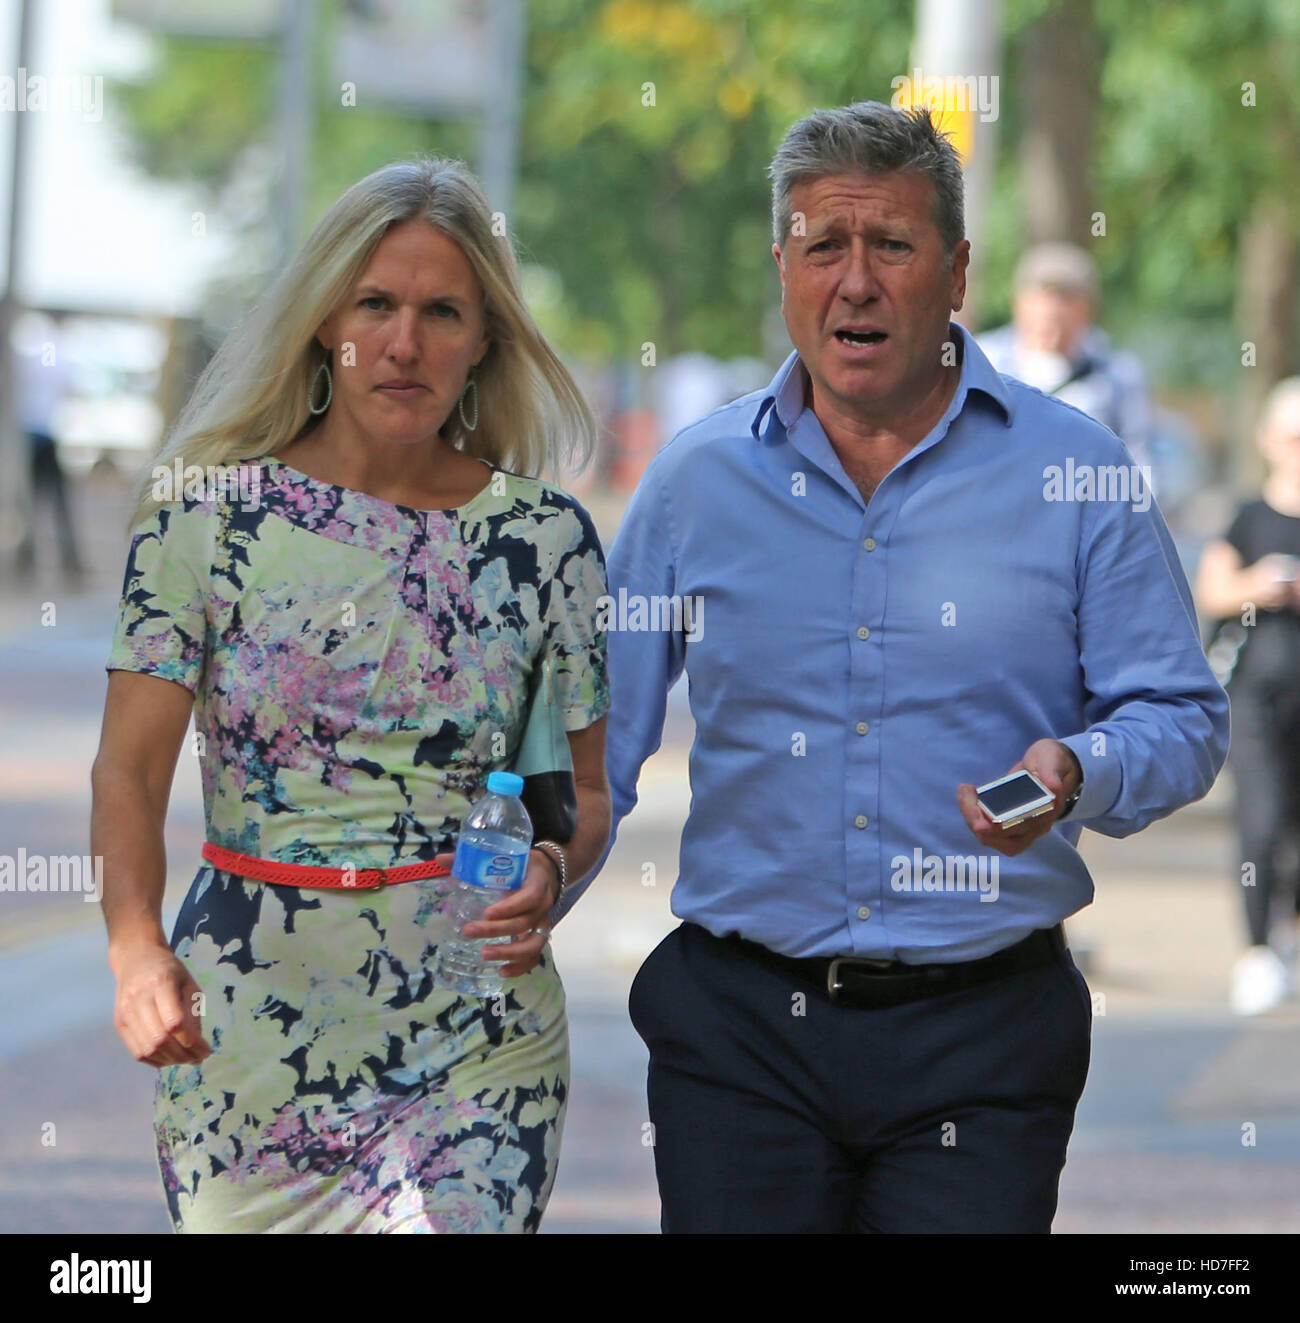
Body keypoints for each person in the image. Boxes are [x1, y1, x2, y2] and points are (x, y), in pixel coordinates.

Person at [560, 102, 1229, 1233]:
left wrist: (1075, 771)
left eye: (893, 247)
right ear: (783, 268)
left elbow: (1180, 714)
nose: (855, 282)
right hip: (739, 1034)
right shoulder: (694, 483)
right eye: (824, 246)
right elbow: (595, 749)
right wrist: (523, 892)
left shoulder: (1079, 473)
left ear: (958, 271)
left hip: (984, 1034)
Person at [91, 157, 612, 1233]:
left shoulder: (541, 541)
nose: (404, 342)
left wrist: (553, 867)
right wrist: (136, 945)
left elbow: (585, 798)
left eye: (441, 312)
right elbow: (130, 771)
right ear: (325, 320)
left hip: (479, 1034)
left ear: (483, 343)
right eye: (374, 303)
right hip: (250, 1028)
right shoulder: (208, 515)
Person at [1194, 378, 1300, 1016]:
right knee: (1260, 820)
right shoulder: (1248, 516)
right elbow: (1211, 591)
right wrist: (1260, 585)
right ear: (1267, 442)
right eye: (1291, 436)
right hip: (1256, 698)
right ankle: (1257, 949)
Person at [978, 241, 1155, 471]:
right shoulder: (981, 362)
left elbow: (1139, 463)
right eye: (1042, 297)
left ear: (1088, 310)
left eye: (1066, 300)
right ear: (1018, 302)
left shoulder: (1117, 376)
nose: (1051, 310)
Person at [14, 313, 84, 581]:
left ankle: (27, 557)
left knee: (27, 500)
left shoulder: (25, 358)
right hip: (48, 432)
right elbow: (71, 392)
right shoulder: (62, 359)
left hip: (27, 432)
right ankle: (69, 561)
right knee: (58, 501)